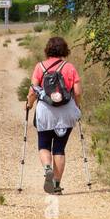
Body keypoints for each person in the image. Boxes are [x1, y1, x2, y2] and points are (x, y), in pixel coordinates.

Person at [25, 35, 82, 195]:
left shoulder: (40, 67)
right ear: (65, 50)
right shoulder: (70, 67)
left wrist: (29, 105)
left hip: (45, 112)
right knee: (59, 148)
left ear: (47, 50)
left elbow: (32, 91)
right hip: (66, 112)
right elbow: (77, 92)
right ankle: (56, 185)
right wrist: (77, 108)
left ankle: (47, 168)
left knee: (43, 144)